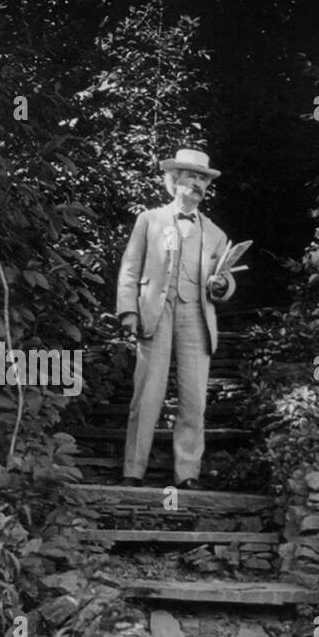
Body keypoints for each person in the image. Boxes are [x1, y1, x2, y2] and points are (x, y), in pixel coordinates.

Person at [115, 148, 237, 490]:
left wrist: (222, 284)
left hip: (197, 318)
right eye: (192, 177)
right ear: (174, 181)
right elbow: (129, 266)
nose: (199, 184)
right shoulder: (149, 220)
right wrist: (128, 310)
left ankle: (187, 474)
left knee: (194, 399)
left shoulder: (215, 233)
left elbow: (226, 280)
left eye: (203, 179)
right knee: (147, 394)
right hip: (155, 312)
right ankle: (132, 471)